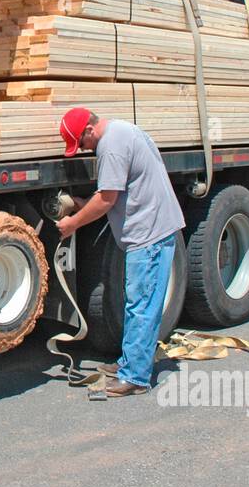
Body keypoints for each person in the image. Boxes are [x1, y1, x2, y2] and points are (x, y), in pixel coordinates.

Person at [56, 107, 184, 398]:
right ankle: (130, 363)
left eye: (82, 143)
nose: (85, 149)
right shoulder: (123, 131)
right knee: (138, 303)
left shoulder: (110, 147)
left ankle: (135, 378)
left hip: (148, 235)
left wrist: (73, 224)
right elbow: (117, 192)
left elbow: (106, 199)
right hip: (153, 230)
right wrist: (79, 203)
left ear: (89, 129)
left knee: (141, 306)